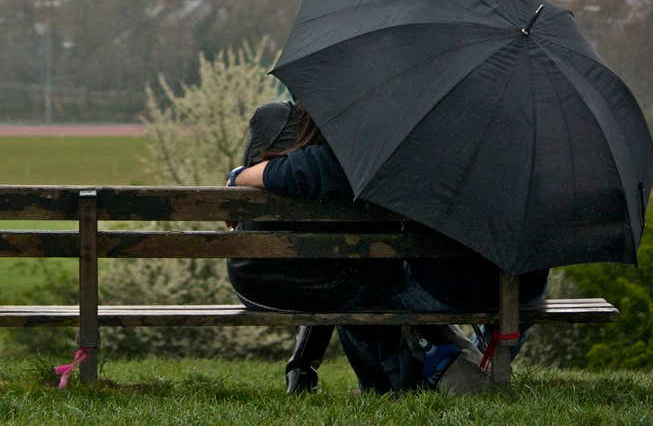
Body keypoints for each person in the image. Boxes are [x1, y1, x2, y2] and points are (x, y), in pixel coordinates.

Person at [228, 100, 549, 394]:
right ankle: (469, 363)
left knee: (361, 284)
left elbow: (315, 168)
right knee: (361, 274)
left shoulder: (416, 131)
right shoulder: (533, 140)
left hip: (442, 287)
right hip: (523, 288)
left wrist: (240, 178)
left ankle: (386, 382)